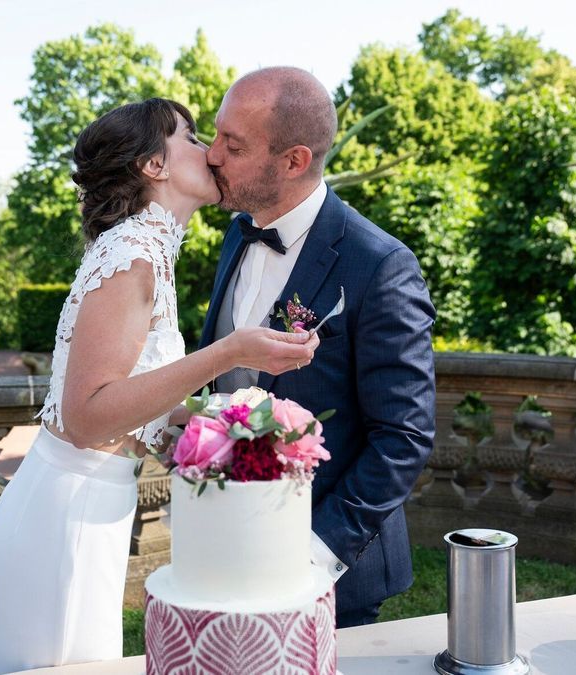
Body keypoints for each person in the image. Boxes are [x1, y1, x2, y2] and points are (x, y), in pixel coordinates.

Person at [0, 98, 319, 675]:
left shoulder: (147, 250)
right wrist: (226, 353)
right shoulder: (131, 257)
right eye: (191, 136)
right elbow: (87, 416)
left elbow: (129, 397)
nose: (210, 151)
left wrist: (233, 417)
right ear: (155, 166)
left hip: (93, 503)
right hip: (65, 515)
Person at [199, 66, 437, 628]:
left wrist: (312, 553)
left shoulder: (380, 266)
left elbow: (404, 437)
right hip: (227, 545)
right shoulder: (238, 232)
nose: (211, 156)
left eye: (233, 145)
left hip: (330, 577)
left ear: (294, 161)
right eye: (216, 135)